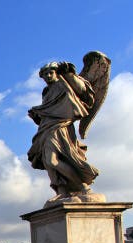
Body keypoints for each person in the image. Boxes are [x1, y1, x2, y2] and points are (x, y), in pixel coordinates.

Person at [27, 62, 97, 200]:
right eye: (45, 74)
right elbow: (50, 111)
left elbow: (83, 90)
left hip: (61, 127)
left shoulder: (65, 82)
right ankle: (62, 191)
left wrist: (70, 74)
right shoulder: (46, 92)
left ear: (56, 72)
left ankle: (83, 186)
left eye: (50, 73)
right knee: (48, 161)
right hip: (46, 128)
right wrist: (37, 115)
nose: (48, 76)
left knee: (55, 160)